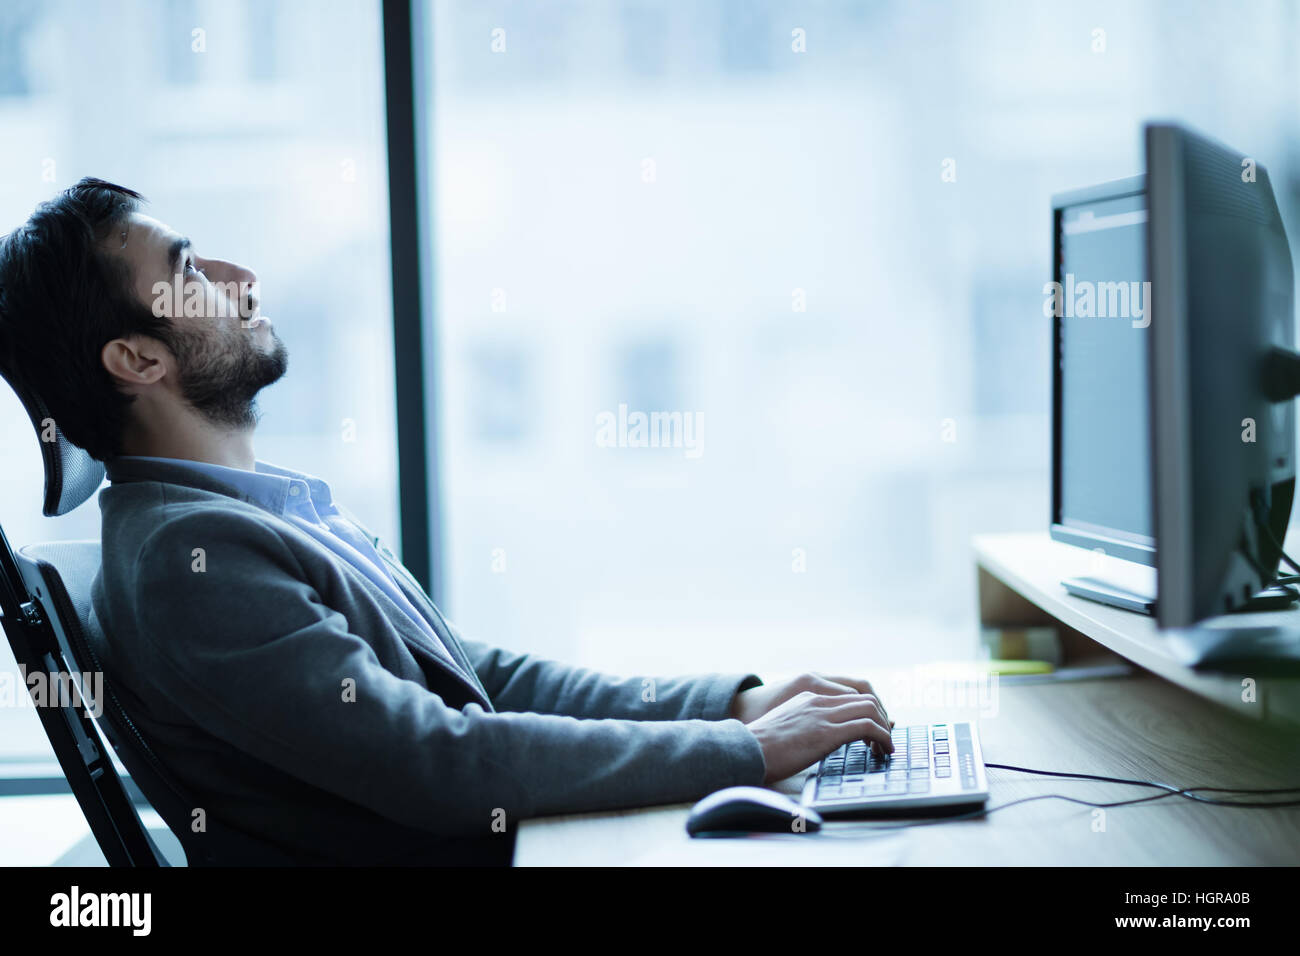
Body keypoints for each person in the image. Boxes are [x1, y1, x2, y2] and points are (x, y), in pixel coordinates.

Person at [0, 178, 893, 864]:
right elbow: (437, 761)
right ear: (135, 357)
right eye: (189, 269)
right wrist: (738, 753)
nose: (239, 277)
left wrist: (730, 708)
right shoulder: (187, 558)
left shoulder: (236, 510)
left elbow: (473, 676)